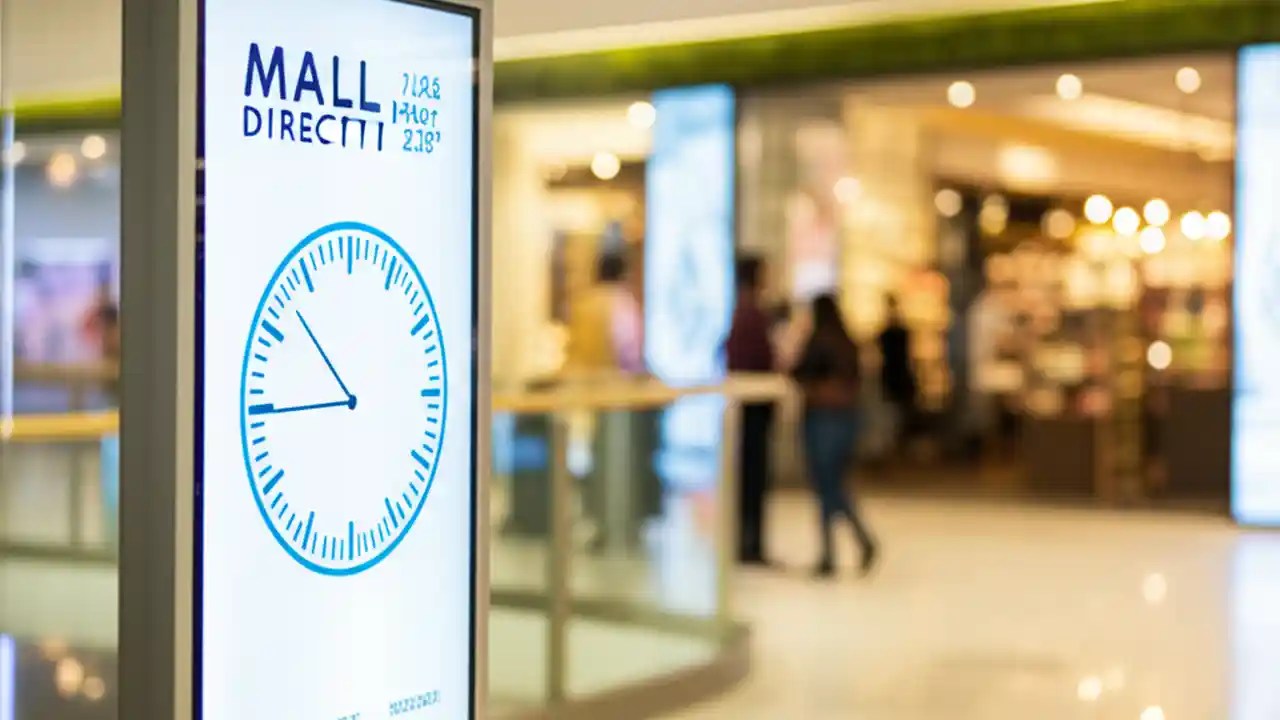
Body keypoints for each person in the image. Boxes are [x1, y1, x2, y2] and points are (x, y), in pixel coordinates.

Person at [792, 294, 877, 577]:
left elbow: (799, 372)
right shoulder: (848, 343)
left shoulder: (819, 342)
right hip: (846, 419)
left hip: (823, 418)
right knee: (834, 485)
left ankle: (835, 550)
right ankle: (852, 543)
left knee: (827, 487)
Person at [725, 257, 775, 566]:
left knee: (750, 480)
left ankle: (748, 542)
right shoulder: (750, 315)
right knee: (751, 480)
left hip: (749, 409)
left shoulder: (743, 313)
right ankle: (749, 544)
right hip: (752, 410)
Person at [877, 295, 917, 458]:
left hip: (895, 376)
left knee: (896, 418)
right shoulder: (898, 332)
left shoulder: (890, 333)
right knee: (895, 418)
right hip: (898, 376)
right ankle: (895, 453)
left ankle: (896, 453)